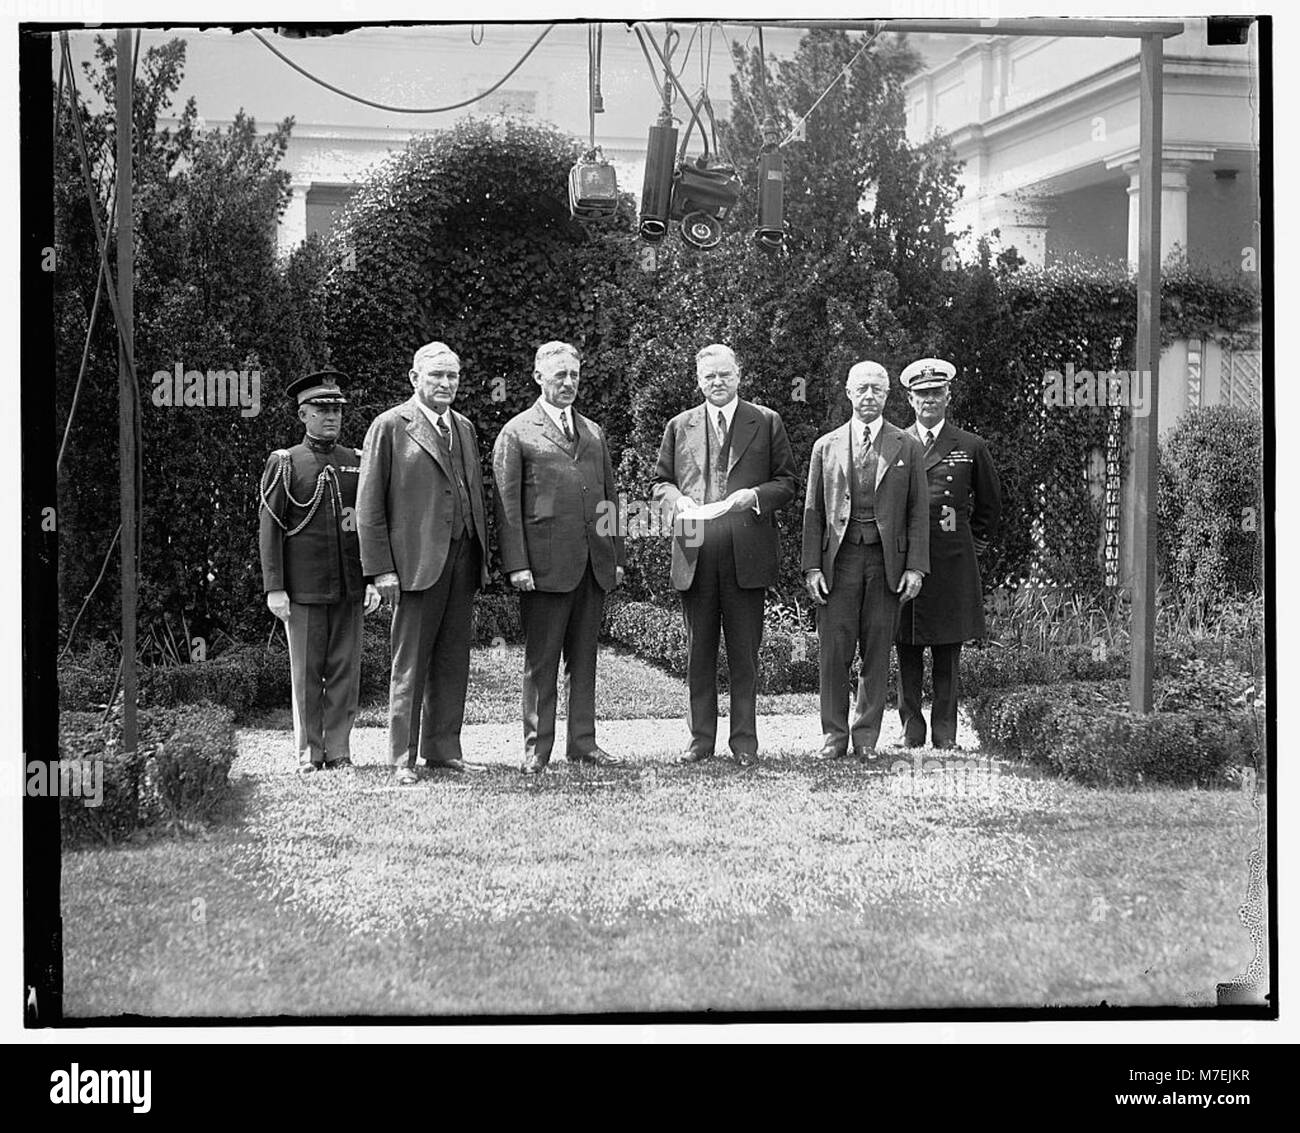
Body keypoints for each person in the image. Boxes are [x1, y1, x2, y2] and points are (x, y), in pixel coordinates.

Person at [651, 344, 797, 767]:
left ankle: (745, 743)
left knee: (744, 655)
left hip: (745, 554)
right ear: (698, 380)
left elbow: (786, 482)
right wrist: (674, 499)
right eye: (709, 376)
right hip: (696, 552)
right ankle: (700, 741)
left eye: (725, 375)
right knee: (699, 654)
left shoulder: (766, 421)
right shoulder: (679, 426)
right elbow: (660, 483)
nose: (717, 382)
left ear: (739, 376)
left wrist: (755, 496)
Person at [356, 342, 491, 785]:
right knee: (410, 663)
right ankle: (400, 758)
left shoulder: (465, 427)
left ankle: (443, 749)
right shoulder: (390, 426)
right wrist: (381, 570)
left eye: (452, 376)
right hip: (414, 567)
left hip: (462, 560)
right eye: (436, 376)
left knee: (454, 661)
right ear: (414, 378)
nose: (446, 384)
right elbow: (369, 504)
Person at [492, 341, 625, 775]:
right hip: (544, 569)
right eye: (559, 376)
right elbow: (507, 506)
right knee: (542, 661)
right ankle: (537, 748)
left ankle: (583, 743)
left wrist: (615, 556)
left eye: (573, 375)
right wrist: (517, 564)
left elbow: (608, 499)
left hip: (592, 565)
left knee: (584, 660)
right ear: (538, 377)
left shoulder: (593, 431)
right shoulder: (517, 432)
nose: (568, 383)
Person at [801, 360, 930, 761]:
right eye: (862, 388)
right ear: (848, 393)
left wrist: (915, 567)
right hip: (838, 562)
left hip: (885, 562)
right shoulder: (826, 446)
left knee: (876, 650)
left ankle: (866, 737)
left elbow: (917, 511)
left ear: (888, 395)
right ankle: (833, 736)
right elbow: (813, 513)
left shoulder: (905, 445)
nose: (869, 395)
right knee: (834, 652)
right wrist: (812, 567)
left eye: (877, 388)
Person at [259, 370, 381, 774]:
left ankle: (340, 750)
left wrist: (371, 579)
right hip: (305, 589)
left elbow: (366, 526)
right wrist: (275, 588)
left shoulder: (356, 463)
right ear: (303, 415)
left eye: (336, 410)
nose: (331, 417)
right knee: (307, 674)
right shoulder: (286, 462)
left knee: (346, 672)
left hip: (348, 586)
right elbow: (271, 527)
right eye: (321, 409)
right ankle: (310, 753)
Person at [895, 358, 1002, 749]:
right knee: (905, 644)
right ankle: (911, 728)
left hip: (951, 562)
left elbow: (990, 506)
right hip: (906, 562)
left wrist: (971, 547)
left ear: (948, 395)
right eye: (922, 394)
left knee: (947, 649)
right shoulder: (897, 442)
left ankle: (944, 733)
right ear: (910, 399)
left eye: (936, 393)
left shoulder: (969, 445)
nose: (929, 400)